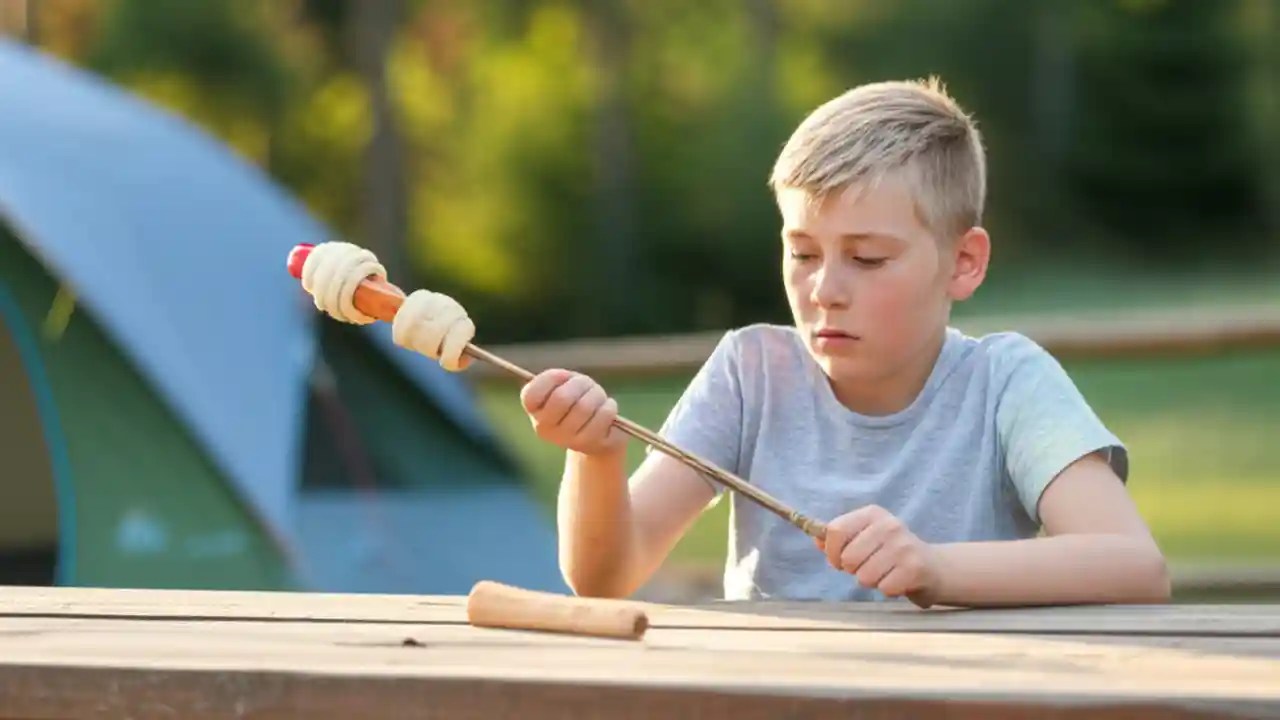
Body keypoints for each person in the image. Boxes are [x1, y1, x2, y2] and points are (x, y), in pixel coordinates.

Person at [300, 77, 1170, 608]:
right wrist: (594, 460)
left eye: (868, 257)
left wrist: (935, 567)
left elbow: (1133, 566)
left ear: (964, 262)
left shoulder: (1009, 384)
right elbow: (606, 576)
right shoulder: (753, 372)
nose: (825, 287)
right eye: (802, 252)